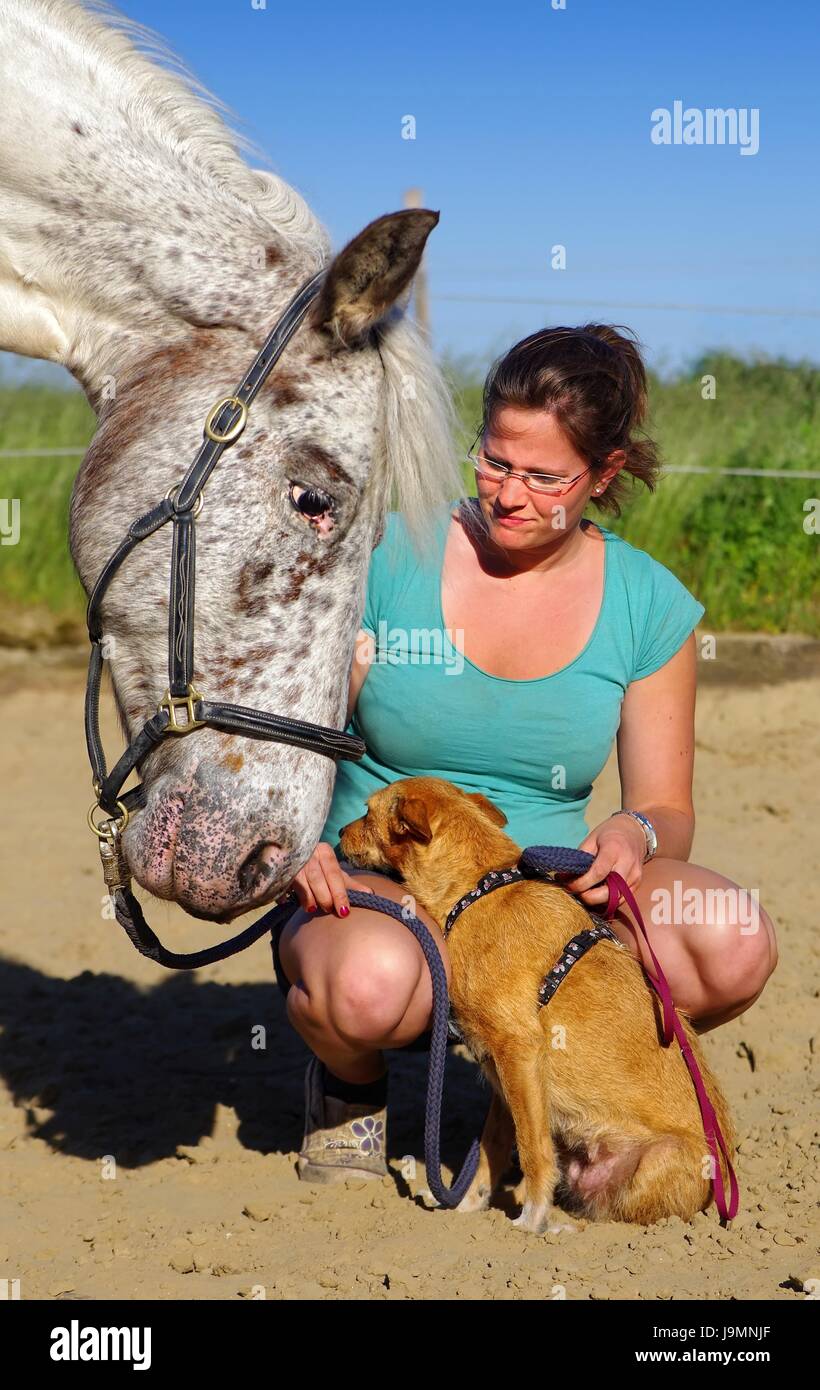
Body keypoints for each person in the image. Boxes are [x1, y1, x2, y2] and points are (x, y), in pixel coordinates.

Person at [271, 323, 778, 1183]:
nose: (510, 494)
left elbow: (667, 807)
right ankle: (349, 1087)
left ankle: (557, 1086)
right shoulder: (390, 553)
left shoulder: (648, 606)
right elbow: (297, 737)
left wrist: (631, 835)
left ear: (605, 475)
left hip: (542, 901)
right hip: (376, 878)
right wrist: (298, 840)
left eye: (545, 477)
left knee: (731, 941)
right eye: (495, 462)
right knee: (368, 989)